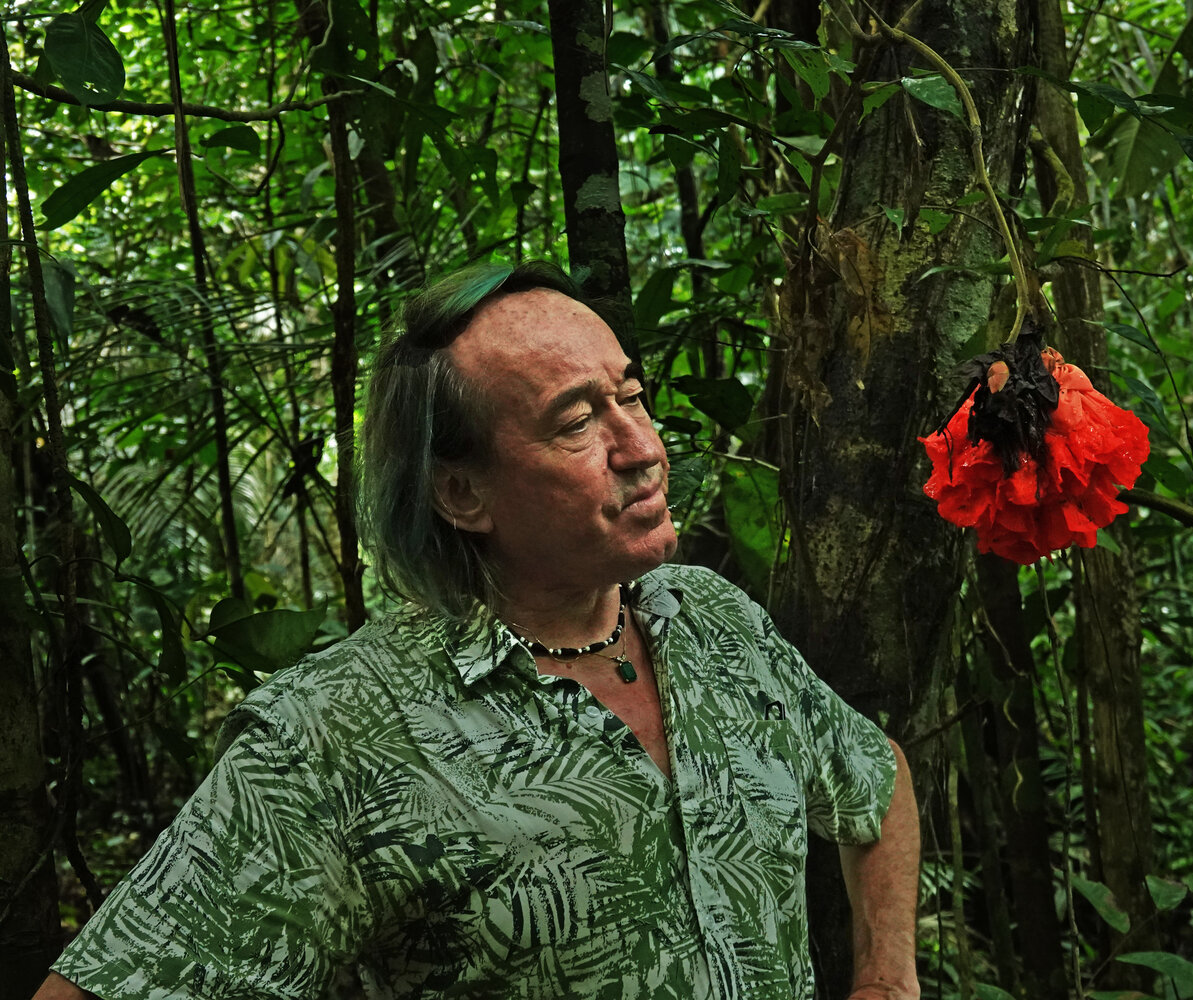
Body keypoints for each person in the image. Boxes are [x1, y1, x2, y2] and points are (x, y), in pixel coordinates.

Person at [33, 261, 920, 1000]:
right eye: (576, 423)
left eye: (632, 397)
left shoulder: (714, 623)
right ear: (463, 494)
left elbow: (875, 782)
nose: (643, 447)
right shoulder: (340, 732)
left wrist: (887, 976)